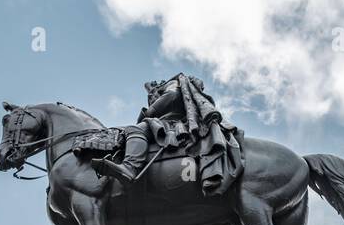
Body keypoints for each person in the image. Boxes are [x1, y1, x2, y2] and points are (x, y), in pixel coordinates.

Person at [95, 73, 242, 195]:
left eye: (152, 93)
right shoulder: (178, 85)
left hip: (171, 124)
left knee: (134, 129)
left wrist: (150, 111)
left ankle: (130, 167)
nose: (152, 96)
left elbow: (172, 95)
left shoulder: (171, 84)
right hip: (172, 122)